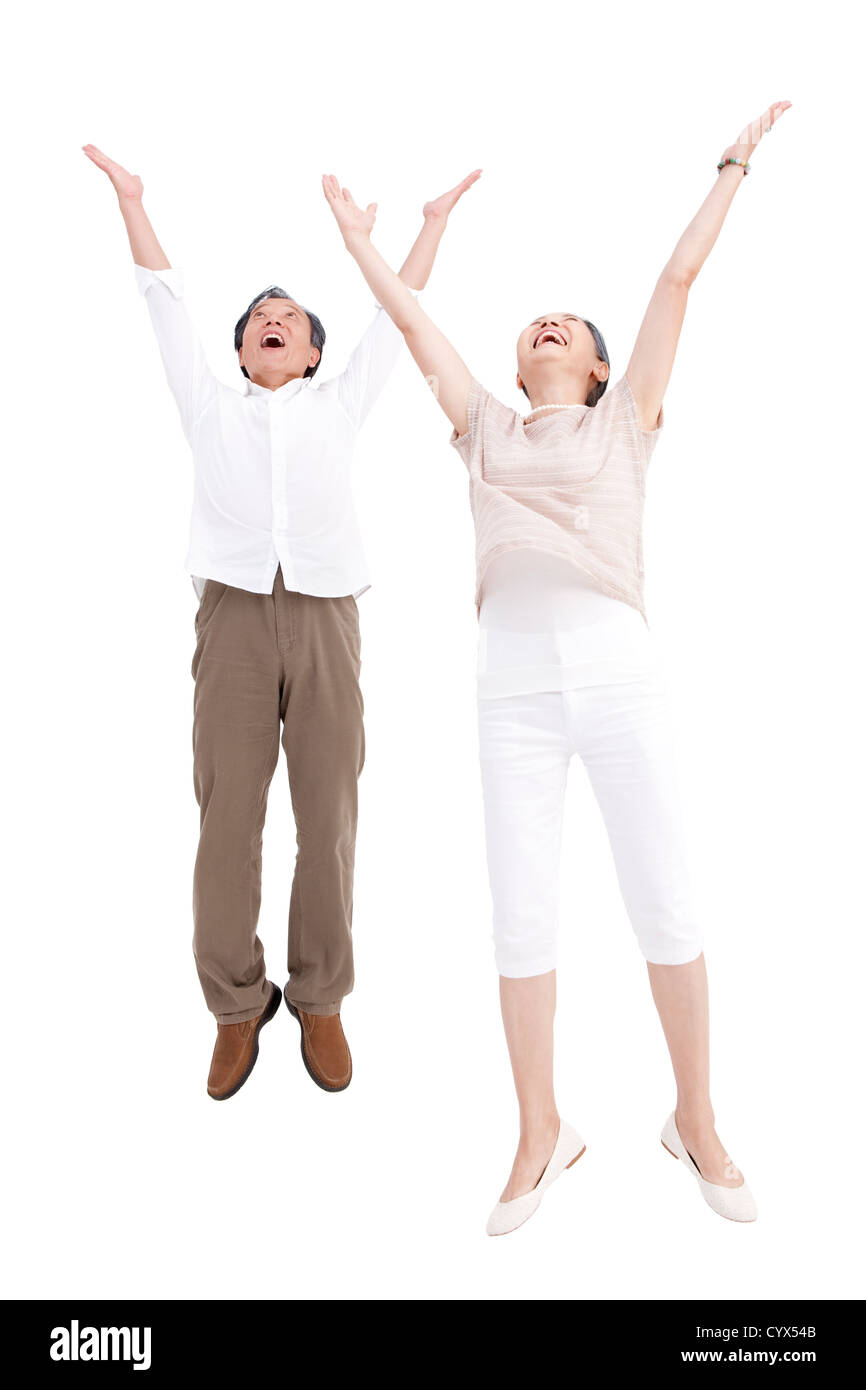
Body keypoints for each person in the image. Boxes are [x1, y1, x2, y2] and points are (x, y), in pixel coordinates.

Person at [322, 99, 791, 1232]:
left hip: (620, 681)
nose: (543, 327)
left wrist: (732, 161)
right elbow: (413, 323)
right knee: (520, 918)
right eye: (530, 321)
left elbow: (676, 282)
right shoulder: (480, 426)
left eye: (563, 326)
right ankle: (540, 1129)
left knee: (664, 902)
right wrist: (358, 246)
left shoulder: (626, 420)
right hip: (513, 694)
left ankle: (697, 1118)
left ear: (592, 366)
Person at [83, 142, 480, 1101]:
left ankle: (321, 995)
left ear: (311, 352)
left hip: (328, 614)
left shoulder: (340, 403)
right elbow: (162, 299)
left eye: (289, 319)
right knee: (228, 819)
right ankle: (234, 1004)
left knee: (330, 814)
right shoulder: (208, 406)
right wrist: (133, 201)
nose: (272, 321)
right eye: (259, 319)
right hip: (231, 617)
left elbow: (399, 316)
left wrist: (428, 228)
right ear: (241, 351)